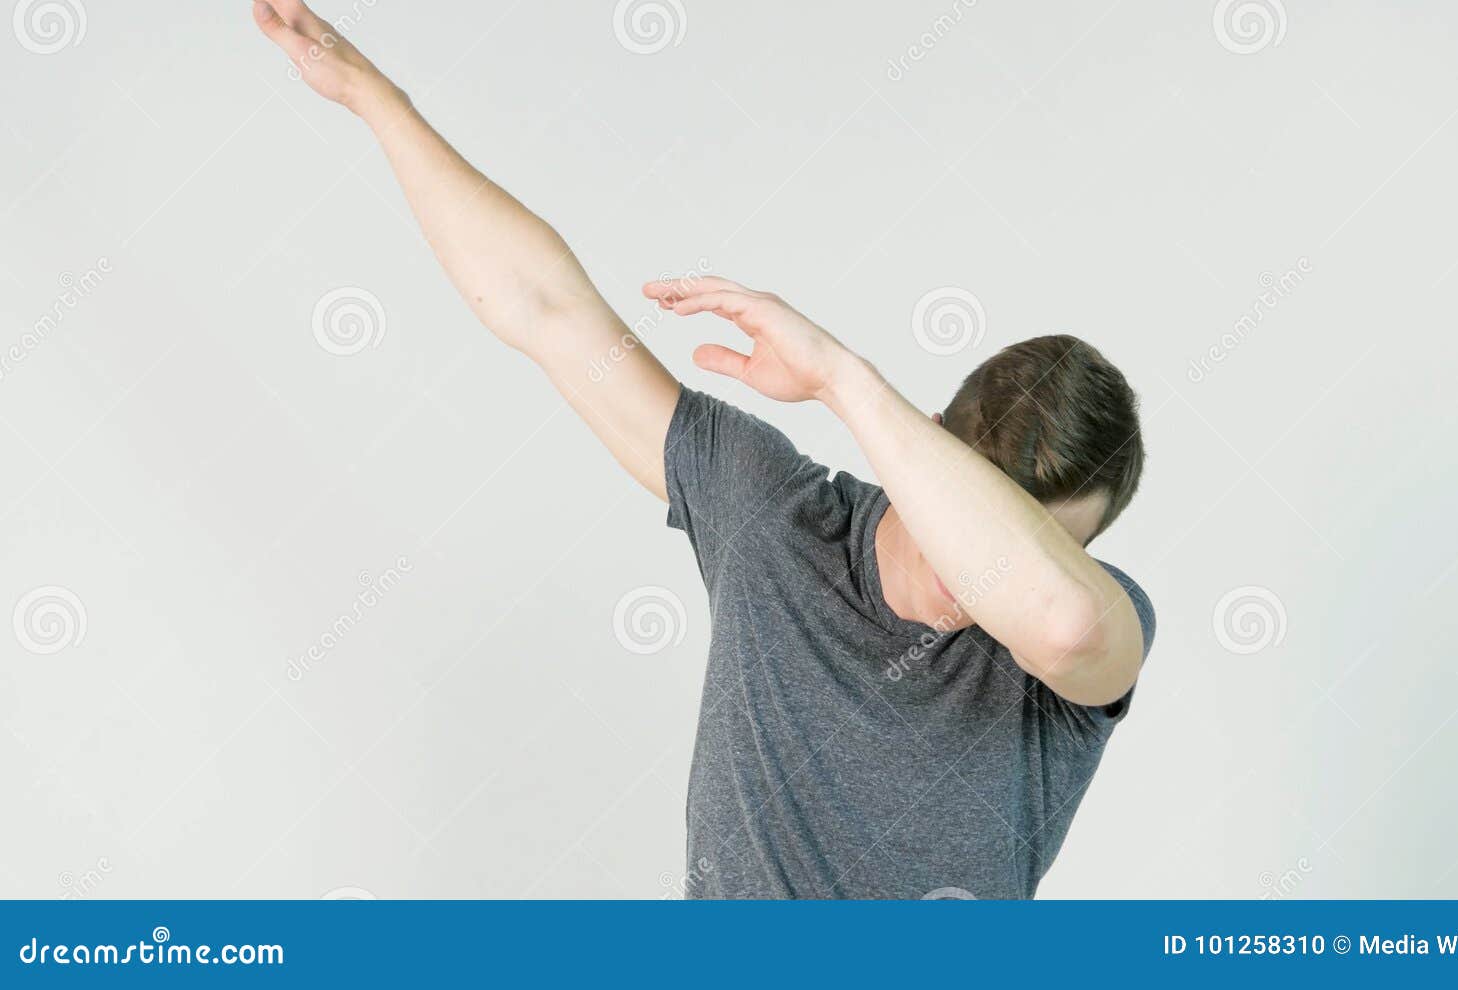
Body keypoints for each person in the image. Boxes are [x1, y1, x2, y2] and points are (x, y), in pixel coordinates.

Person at [252, 0, 1156, 899]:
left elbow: (1067, 624)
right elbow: (545, 309)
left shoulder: (1096, 634)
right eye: (984, 513)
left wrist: (843, 377)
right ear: (929, 449)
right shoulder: (776, 516)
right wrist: (381, 102)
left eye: (1048, 546)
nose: (989, 575)